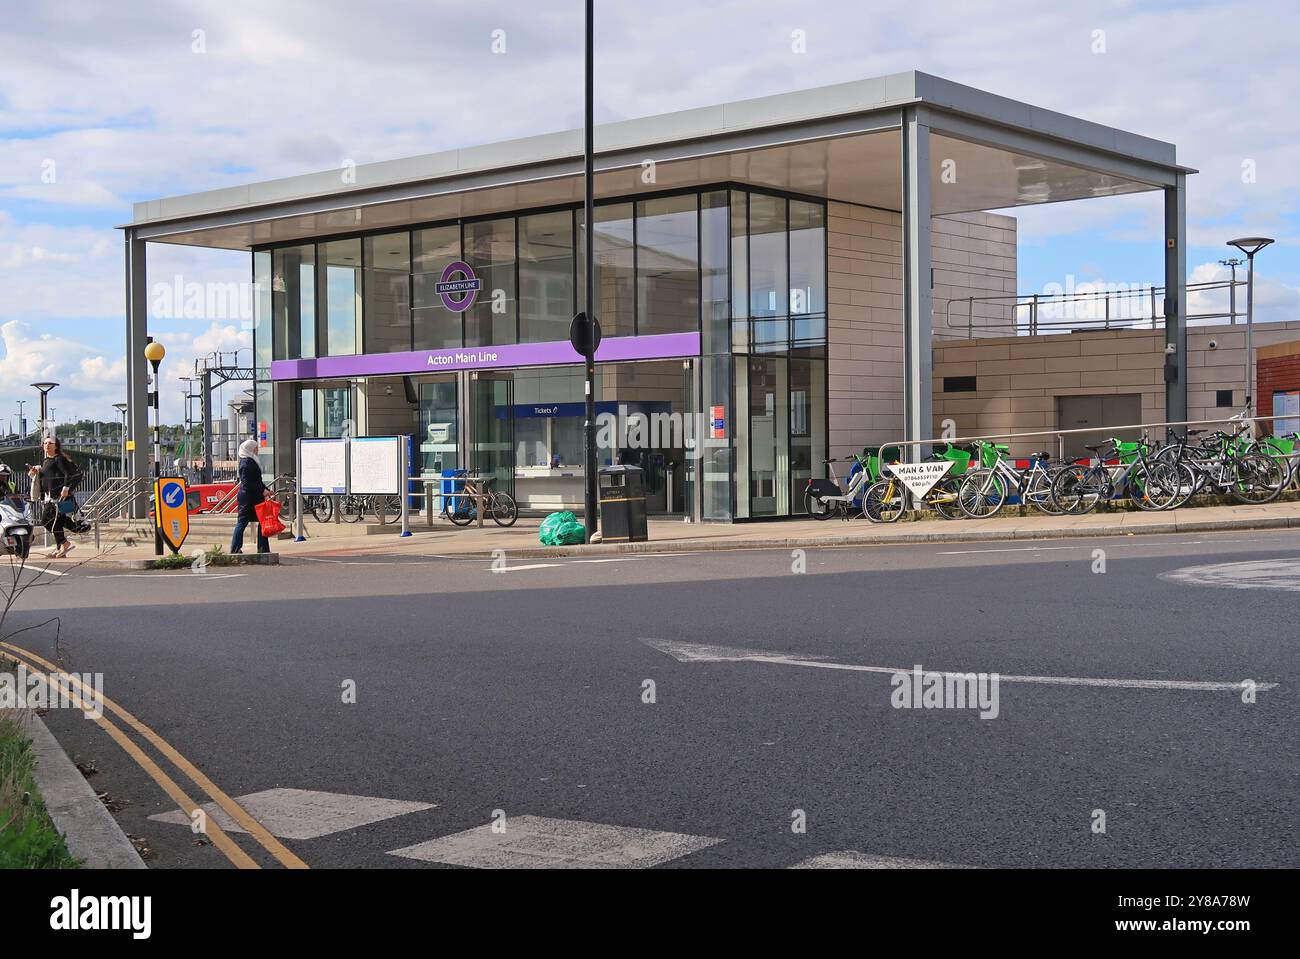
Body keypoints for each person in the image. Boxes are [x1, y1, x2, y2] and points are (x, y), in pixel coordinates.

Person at [27, 436, 83, 559]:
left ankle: (64, 543)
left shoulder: (60, 459)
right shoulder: (47, 461)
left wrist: (67, 488)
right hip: (50, 498)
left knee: (46, 521)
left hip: (60, 498)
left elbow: (71, 474)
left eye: (50, 443)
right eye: (45, 443)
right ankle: (61, 546)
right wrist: (37, 471)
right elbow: (48, 477)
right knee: (55, 522)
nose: (47, 445)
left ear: (56, 446)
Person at [230, 438, 271, 554]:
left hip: (254, 497)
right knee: (242, 522)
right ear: (249, 449)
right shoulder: (246, 463)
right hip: (248, 499)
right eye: (255, 448)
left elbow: (257, 480)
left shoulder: (251, 461)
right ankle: (235, 548)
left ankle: (263, 548)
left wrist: (266, 489)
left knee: (261, 521)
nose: (257, 450)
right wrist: (262, 491)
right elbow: (247, 482)